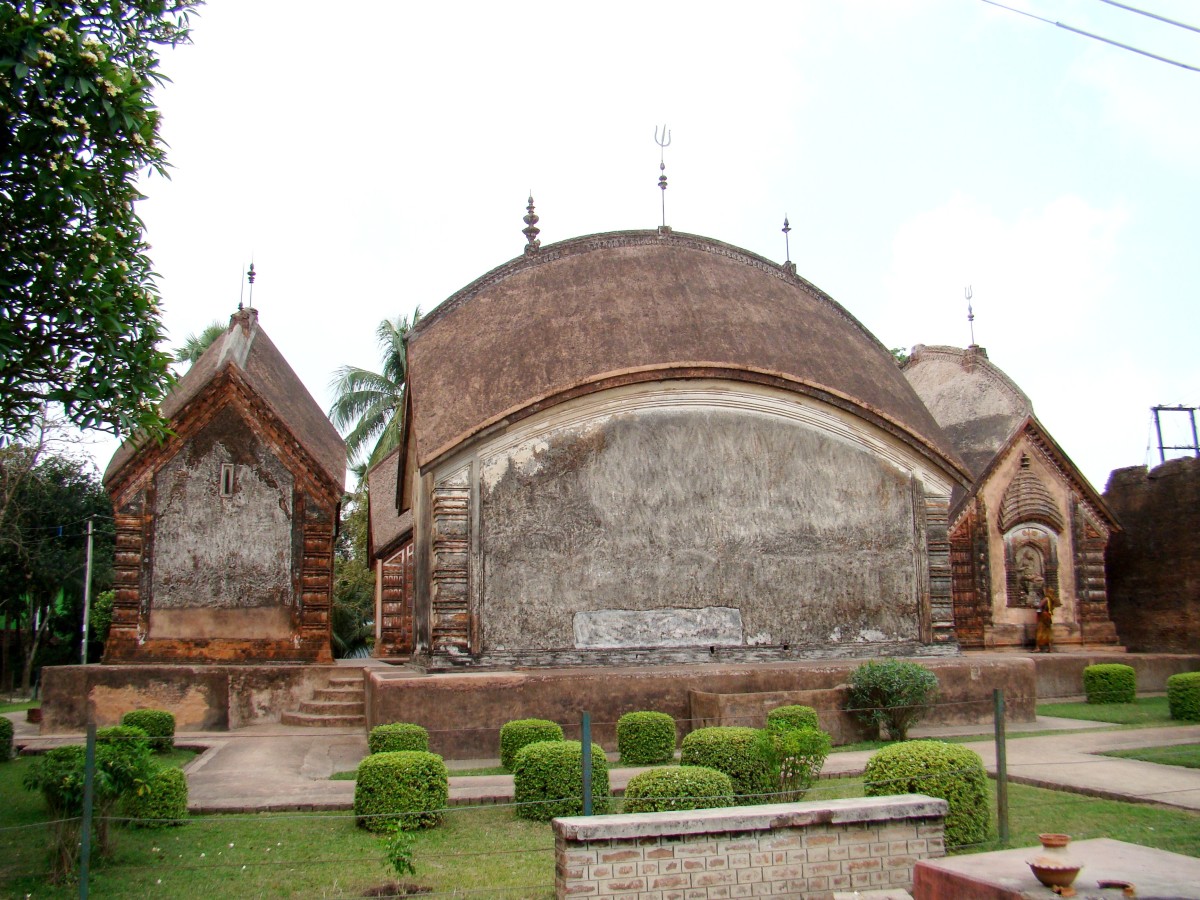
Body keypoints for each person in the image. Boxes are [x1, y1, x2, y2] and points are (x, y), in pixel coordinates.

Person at [1035, 587, 1057, 652]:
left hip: (1043, 616)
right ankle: (1050, 648)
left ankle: (1038, 647)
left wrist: (1034, 605)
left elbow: (1039, 606)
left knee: (1039, 630)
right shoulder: (1053, 599)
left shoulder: (1046, 599)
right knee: (1048, 631)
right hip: (1048, 616)